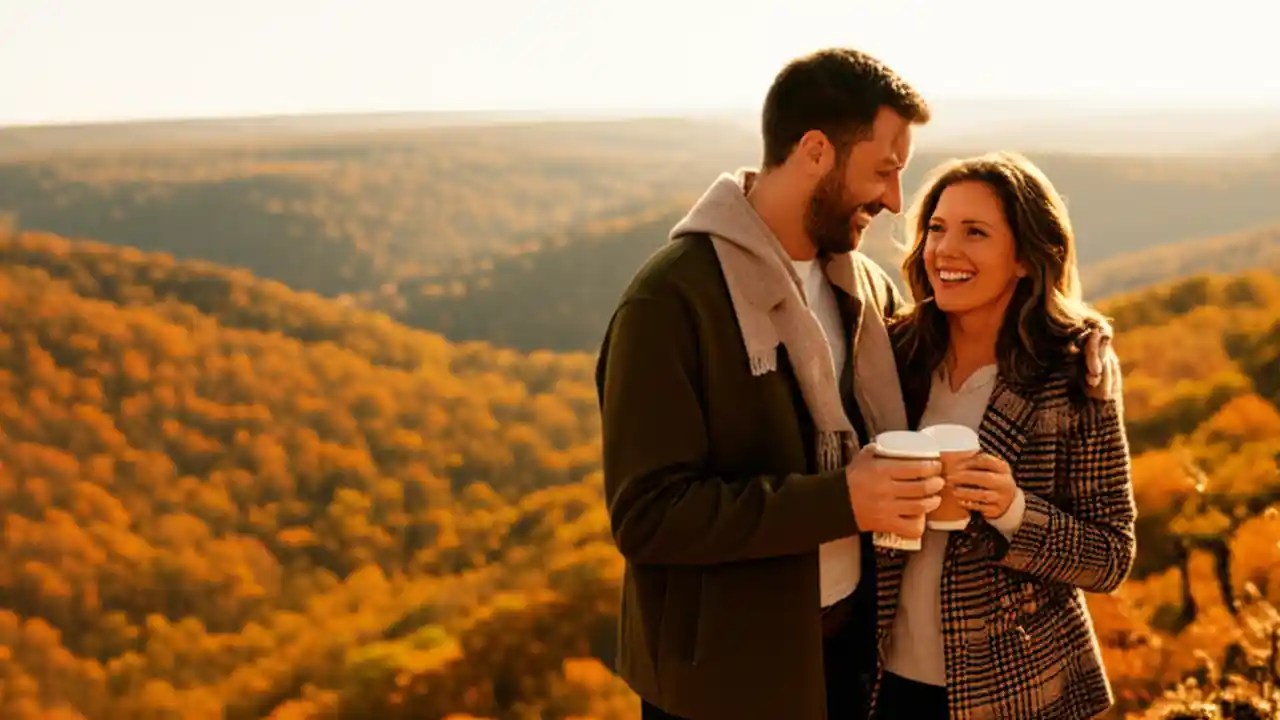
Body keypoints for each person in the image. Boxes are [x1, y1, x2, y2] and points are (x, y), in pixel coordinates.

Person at [595, 48, 1119, 719]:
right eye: (885, 170)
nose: (895, 199)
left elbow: (985, 332)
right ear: (816, 151)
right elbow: (647, 518)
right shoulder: (672, 302)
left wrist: (1079, 343)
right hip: (726, 682)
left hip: (852, 670)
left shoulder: (866, 291)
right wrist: (841, 500)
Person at [872, 152, 1136, 720]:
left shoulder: (1072, 376)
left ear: (1023, 258)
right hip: (881, 680)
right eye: (937, 229)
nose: (945, 250)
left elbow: (1113, 556)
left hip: (1017, 691)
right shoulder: (893, 354)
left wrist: (1014, 510)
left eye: (976, 232)